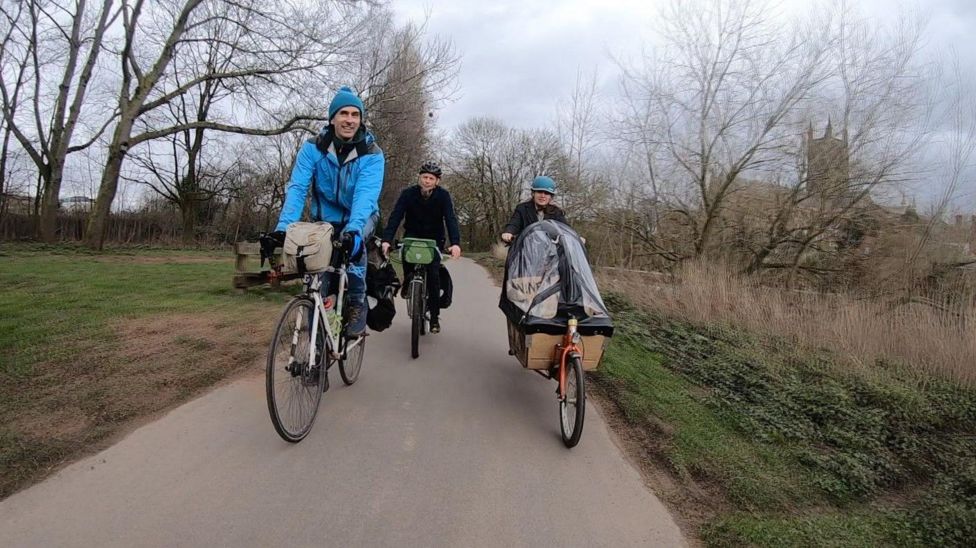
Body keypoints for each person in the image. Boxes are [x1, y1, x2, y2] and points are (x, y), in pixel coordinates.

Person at [264, 86, 384, 338]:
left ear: (360, 119)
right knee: (317, 277)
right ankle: (317, 343)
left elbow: (365, 196)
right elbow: (297, 188)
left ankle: (357, 301)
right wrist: (282, 228)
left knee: (355, 248)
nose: (350, 120)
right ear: (332, 118)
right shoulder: (312, 149)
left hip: (361, 216)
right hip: (325, 220)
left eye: (355, 114)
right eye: (343, 113)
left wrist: (353, 229)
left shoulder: (372, 154)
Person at [381, 161, 461, 334]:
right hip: (412, 236)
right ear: (419, 178)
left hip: (434, 239)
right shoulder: (408, 194)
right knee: (406, 258)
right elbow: (396, 216)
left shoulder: (443, 196)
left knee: (433, 274)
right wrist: (387, 239)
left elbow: (450, 219)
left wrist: (455, 243)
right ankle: (409, 281)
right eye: (424, 177)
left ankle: (433, 318)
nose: (427, 181)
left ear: (437, 181)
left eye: (431, 178)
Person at [500, 176, 568, 243]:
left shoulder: (556, 212)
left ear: (551, 197)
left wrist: (575, 237)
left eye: (546, 193)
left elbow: (566, 229)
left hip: (550, 250)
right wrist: (508, 232)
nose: (543, 196)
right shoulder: (522, 209)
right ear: (533, 193)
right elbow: (514, 223)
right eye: (539, 192)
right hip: (526, 249)